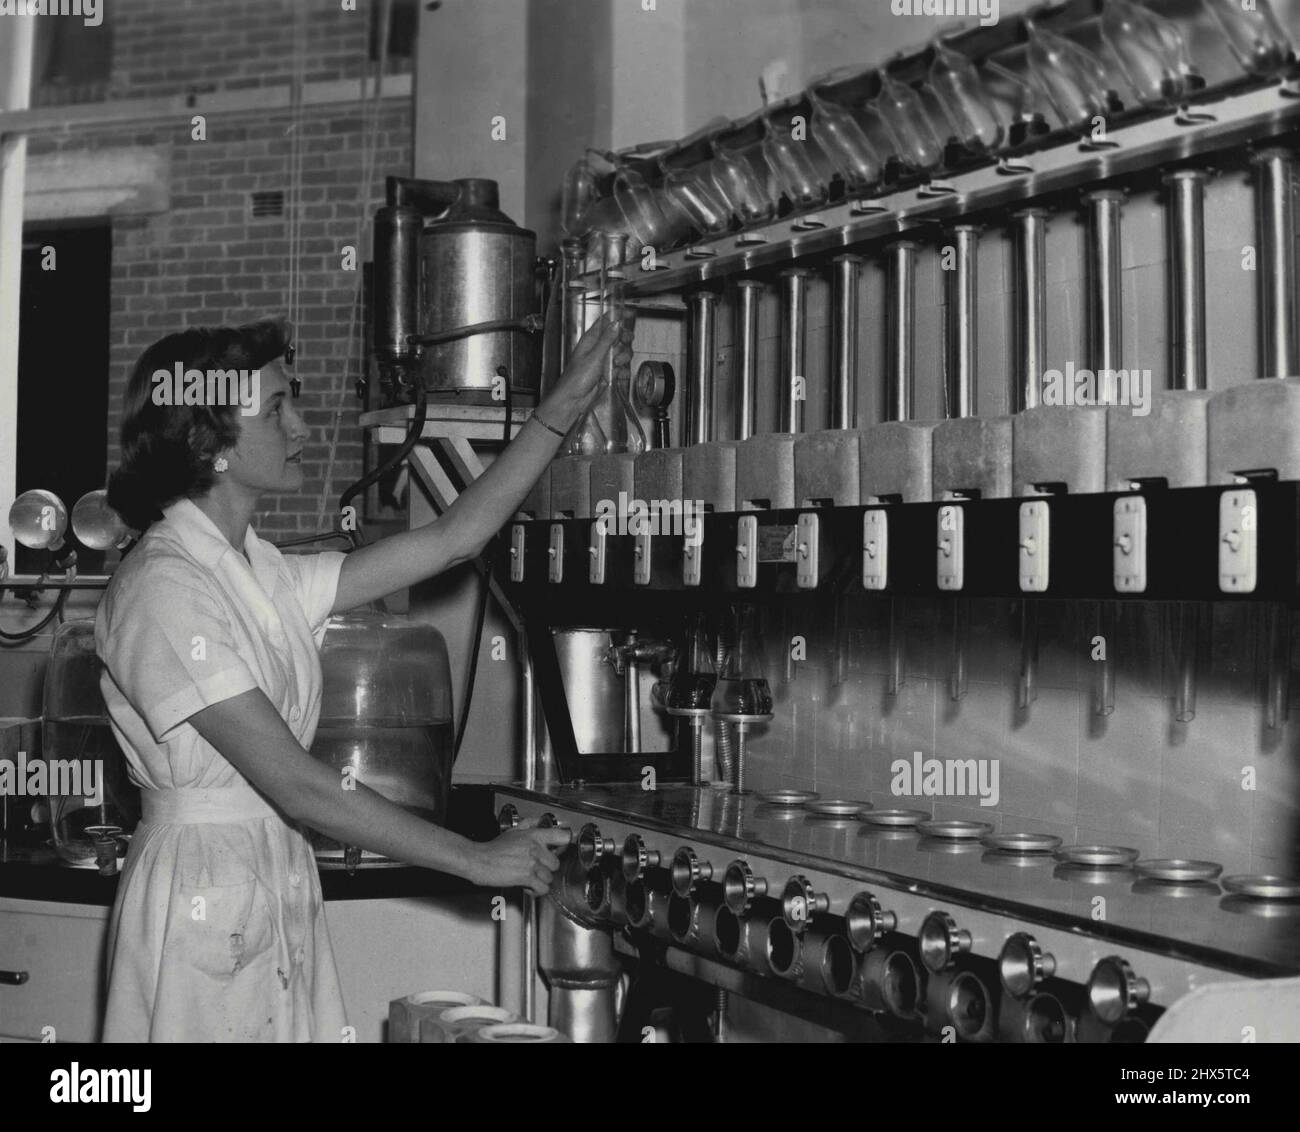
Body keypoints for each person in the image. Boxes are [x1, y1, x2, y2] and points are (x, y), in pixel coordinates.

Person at [94, 312, 626, 1041]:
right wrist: (472, 859)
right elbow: (297, 782)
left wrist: (556, 413)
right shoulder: (162, 588)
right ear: (207, 441)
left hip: (267, 874)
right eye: (277, 406)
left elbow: (453, 539)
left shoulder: (262, 573)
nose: (303, 427)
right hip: (200, 893)